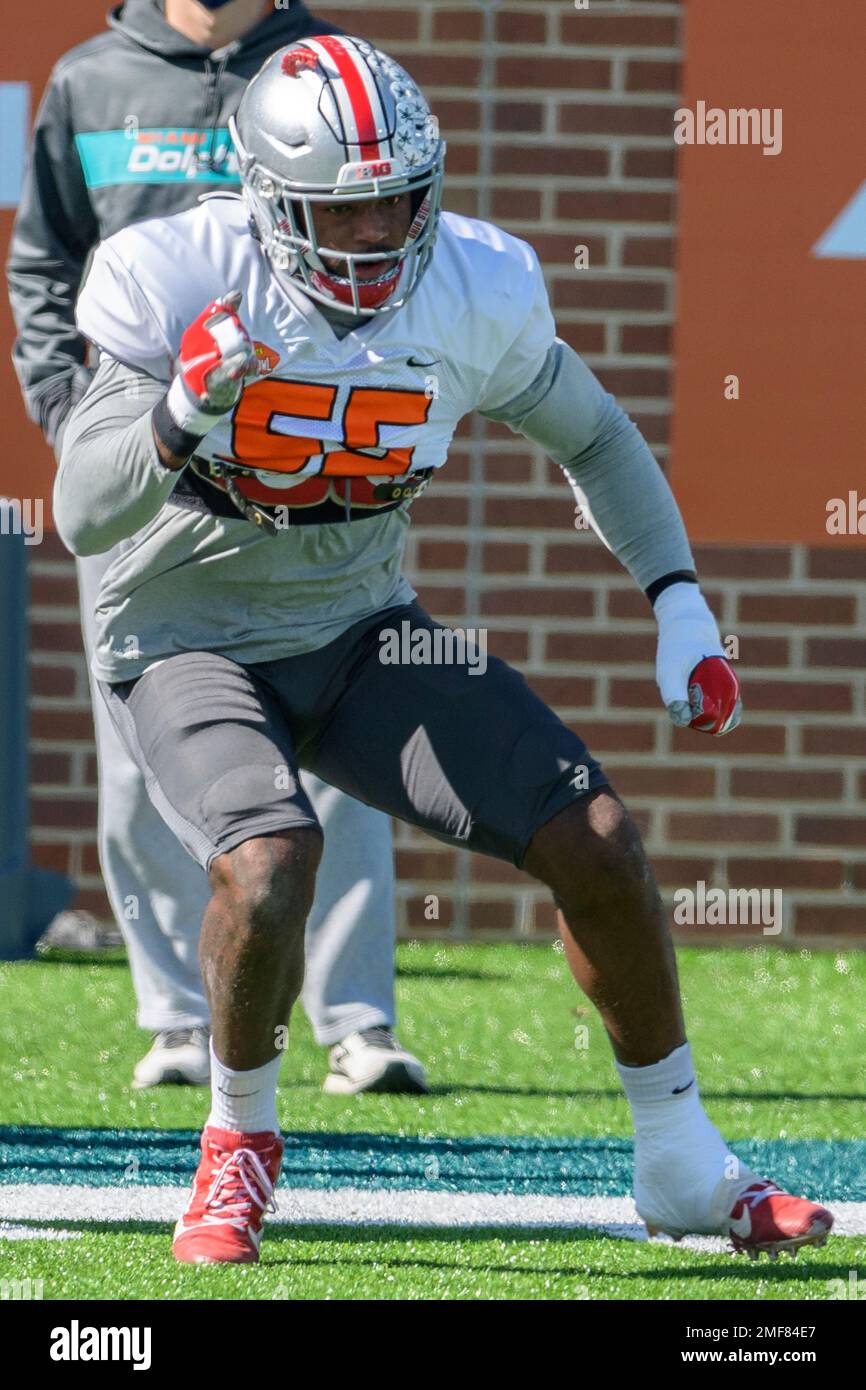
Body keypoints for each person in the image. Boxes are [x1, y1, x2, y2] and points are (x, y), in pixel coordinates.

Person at [54, 34, 834, 1266]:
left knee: (597, 838)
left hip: (361, 628)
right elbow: (81, 512)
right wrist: (177, 410)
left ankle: (679, 1163)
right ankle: (237, 1145)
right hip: (183, 633)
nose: (374, 236)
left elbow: (594, 433)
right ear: (268, 199)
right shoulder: (175, 272)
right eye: (341, 210)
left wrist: (677, 600)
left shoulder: (471, 281)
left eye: (397, 202)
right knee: (267, 861)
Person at [6, 0, 427, 1096]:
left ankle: (354, 1021)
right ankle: (179, 1018)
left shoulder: (326, 67)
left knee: (341, 755)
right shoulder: (89, 80)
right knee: (140, 759)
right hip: (151, 470)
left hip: (312, 471)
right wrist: (79, 425)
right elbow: (43, 268)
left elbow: (394, 243)